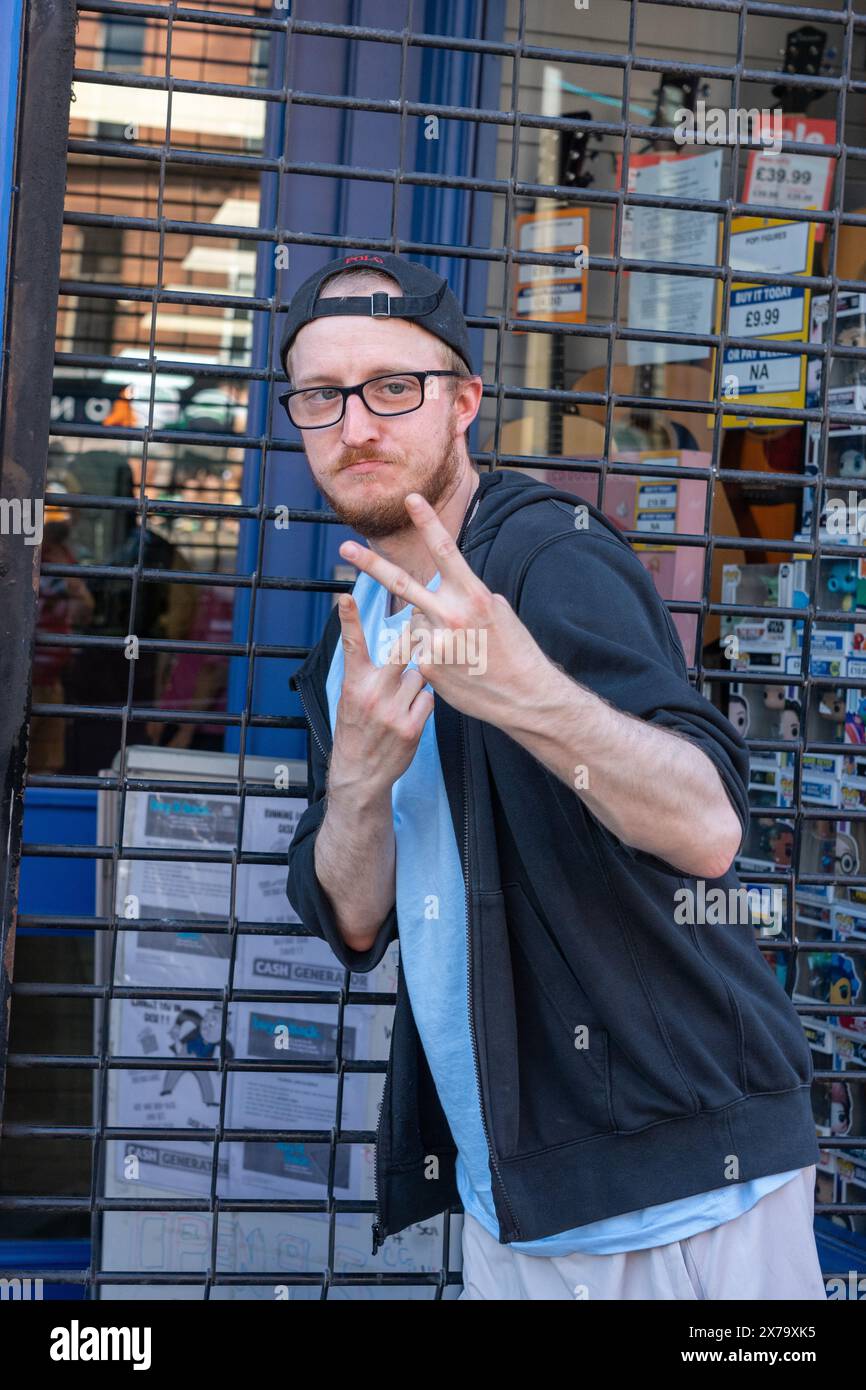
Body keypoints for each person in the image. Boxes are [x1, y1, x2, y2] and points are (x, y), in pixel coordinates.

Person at [283, 250, 826, 1300]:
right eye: (321, 395)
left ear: (464, 402)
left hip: (683, 1184)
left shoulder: (546, 561)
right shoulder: (353, 639)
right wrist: (357, 777)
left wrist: (526, 693)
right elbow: (353, 921)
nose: (356, 425)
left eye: (392, 387)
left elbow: (706, 824)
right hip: (518, 1193)